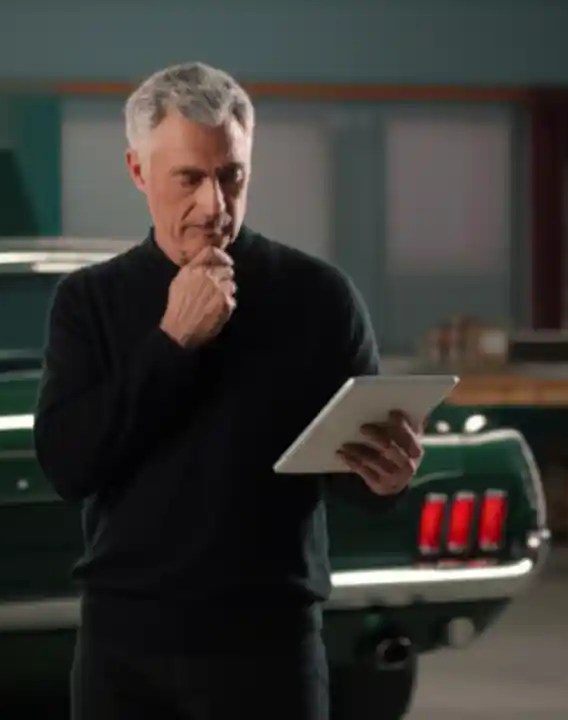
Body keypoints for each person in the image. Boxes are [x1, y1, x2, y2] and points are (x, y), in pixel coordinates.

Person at [34, 61, 425, 720]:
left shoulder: (320, 297)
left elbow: (357, 481)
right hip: (126, 649)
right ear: (139, 172)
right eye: (188, 178)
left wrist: (388, 478)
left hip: (271, 645)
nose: (214, 206)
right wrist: (171, 342)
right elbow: (69, 465)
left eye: (232, 177)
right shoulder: (88, 302)